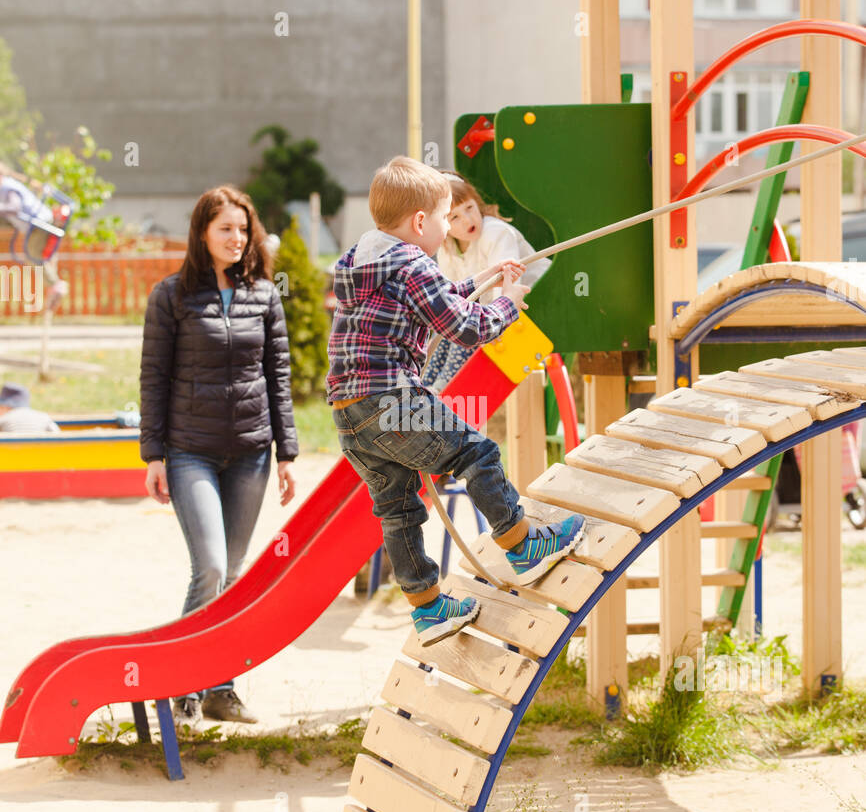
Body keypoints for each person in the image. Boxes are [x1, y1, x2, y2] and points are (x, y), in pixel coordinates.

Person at [327, 156, 583, 647]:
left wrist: (485, 279)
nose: (447, 231)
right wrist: (506, 302)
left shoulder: (364, 260)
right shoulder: (413, 263)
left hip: (348, 412)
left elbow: (438, 298)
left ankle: (428, 609)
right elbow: (465, 328)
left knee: (398, 507)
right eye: (445, 219)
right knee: (476, 452)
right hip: (391, 399)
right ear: (420, 222)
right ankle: (522, 543)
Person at [139, 186, 299, 727]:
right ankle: (180, 683)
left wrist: (287, 453)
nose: (236, 238)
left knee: (232, 574)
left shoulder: (265, 296)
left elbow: (279, 377)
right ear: (202, 233)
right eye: (225, 228)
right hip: (190, 453)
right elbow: (153, 378)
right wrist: (154, 454)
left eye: (243, 228)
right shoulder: (172, 296)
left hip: (252, 453)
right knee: (208, 567)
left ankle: (220, 691)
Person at [423, 171, 552, 393]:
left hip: (538, 302)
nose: (467, 220)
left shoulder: (495, 233)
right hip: (494, 311)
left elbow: (508, 282)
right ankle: (426, 383)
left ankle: (444, 386)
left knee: (466, 331)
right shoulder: (448, 249)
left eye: (470, 208)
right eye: (454, 217)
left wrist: (495, 325)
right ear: (444, 225)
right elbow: (452, 298)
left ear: (477, 203)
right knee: (449, 329)